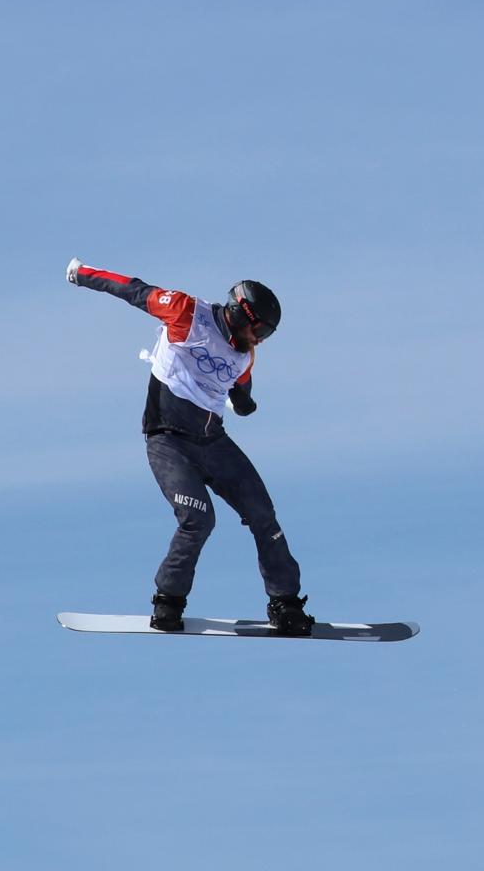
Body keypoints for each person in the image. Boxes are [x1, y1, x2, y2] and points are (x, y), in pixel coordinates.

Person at [66, 259, 314, 636]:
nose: (261, 337)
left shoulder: (245, 352)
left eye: (269, 333)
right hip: (168, 440)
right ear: (238, 313)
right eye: (259, 328)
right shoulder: (185, 311)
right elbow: (132, 289)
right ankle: (168, 601)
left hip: (212, 441)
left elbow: (239, 383)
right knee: (199, 519)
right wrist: (82, 274)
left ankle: (286, 604)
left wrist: (244, 401)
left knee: (264, 514)